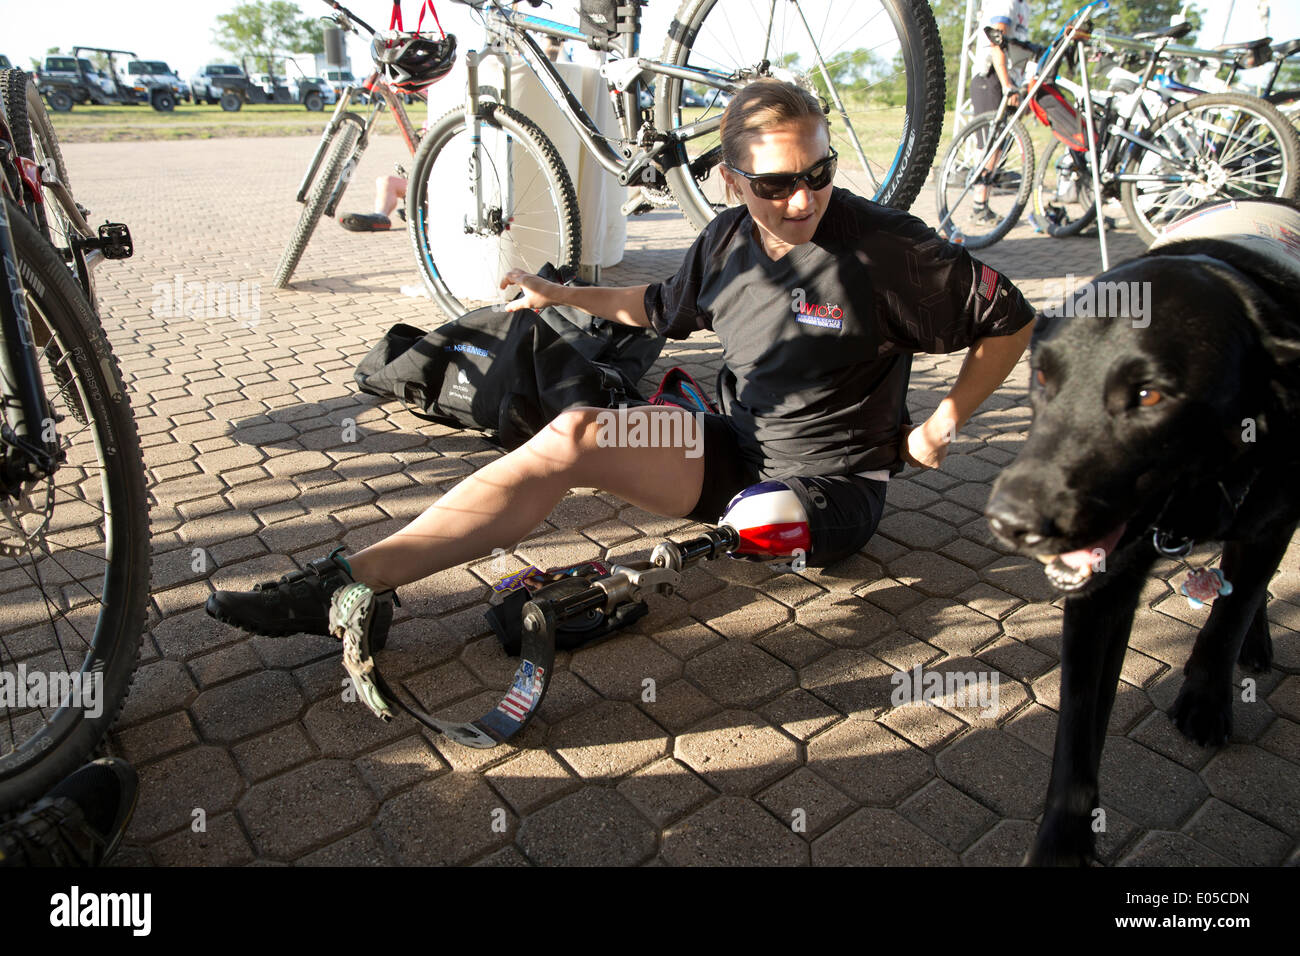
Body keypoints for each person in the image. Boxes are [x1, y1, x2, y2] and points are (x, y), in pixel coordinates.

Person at [207, 80, 1035, 655]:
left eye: (819, 175)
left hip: (834, 489)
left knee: (757, 519)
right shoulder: (723, 242)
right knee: (569, 433)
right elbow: (653, 309)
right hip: (734, 451)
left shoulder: (890, 249)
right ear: (730, 178)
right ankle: (350, 584)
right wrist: (553, 291)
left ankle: (603, 588)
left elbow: (1010, 320)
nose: (803, 199)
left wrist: (943, 421)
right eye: (778, 182)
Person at [969, 0, 1033, 222]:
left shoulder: (1025, 7)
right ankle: (979, 205)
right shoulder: (1006, 2)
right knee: (988, 143)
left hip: (1009, 78)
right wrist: (1007, 84)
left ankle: (983, 203)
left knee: (1000, 145)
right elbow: (997, 40)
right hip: (991, 76)